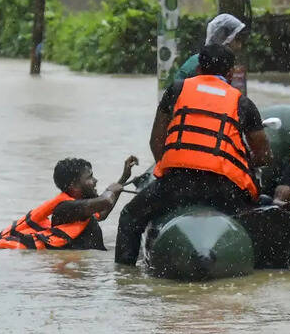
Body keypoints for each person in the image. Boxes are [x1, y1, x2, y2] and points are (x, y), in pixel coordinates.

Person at [115, 44, 270, 266]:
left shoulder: (176, 90)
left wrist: (170, 170)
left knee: (130, 216)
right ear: (230, 73)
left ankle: (125, 278)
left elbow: (156, 141)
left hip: (179, 183)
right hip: (224, 189)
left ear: (198, 68)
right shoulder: (242, 103)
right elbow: (264, 156)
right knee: (261, 209)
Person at [0, 155, 138, 250]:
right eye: (90, 177)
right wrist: (111, 189)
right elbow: (105, 200)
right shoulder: (66, 208)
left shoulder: (80, 205)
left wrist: (123, 179)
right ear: (73, 185)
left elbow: (102, 213)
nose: (95, 181)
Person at [173, 13, 249, 92]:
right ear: (223, 38)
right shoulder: (204, 63)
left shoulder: (216, 62)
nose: (239, 46)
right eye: (237, 40)